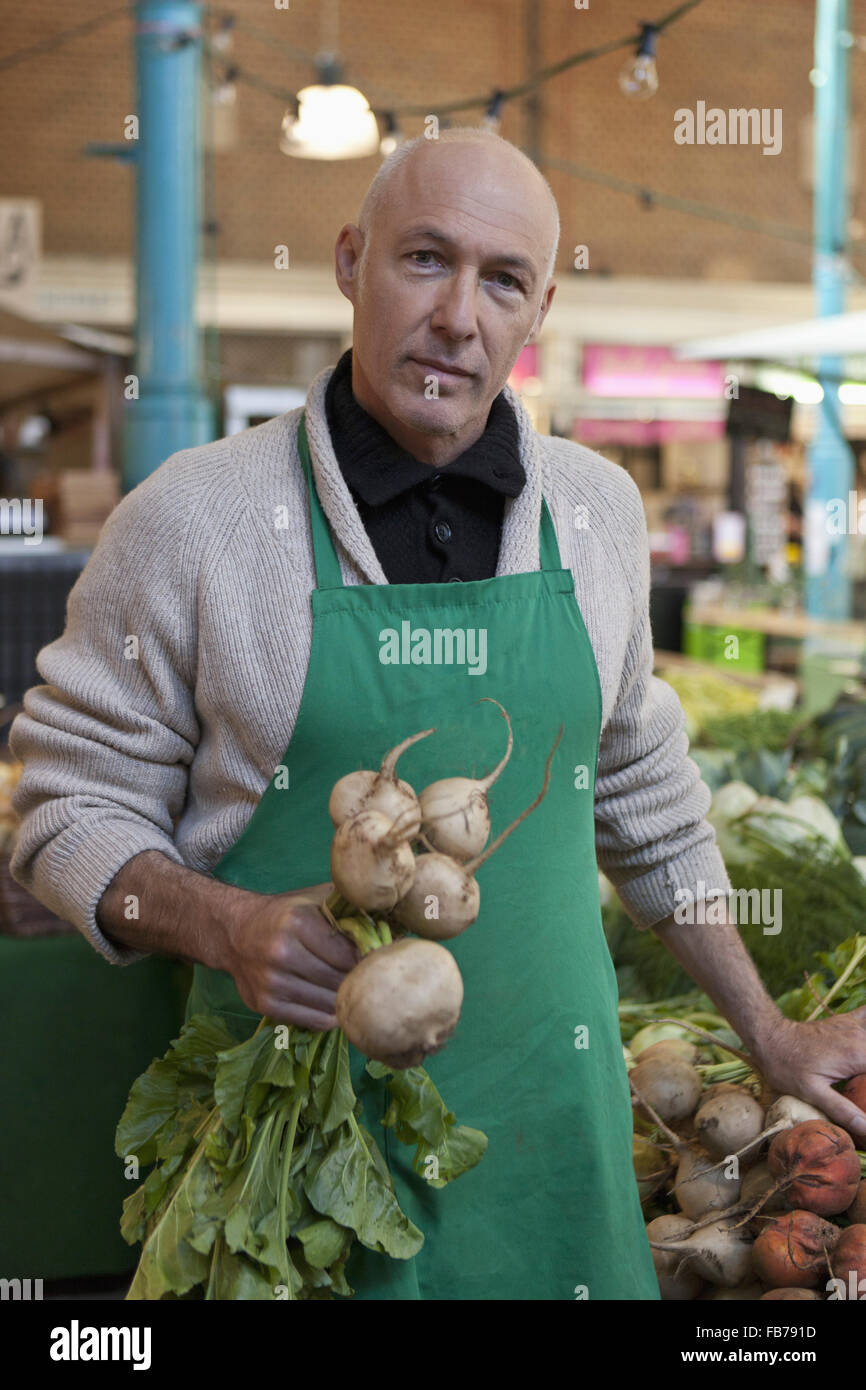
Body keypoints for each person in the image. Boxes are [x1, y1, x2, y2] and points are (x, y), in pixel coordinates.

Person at [10, 129, 866, 1300]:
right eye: (424, 259)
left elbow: (647, 803)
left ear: (539, 308)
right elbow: (66, 804)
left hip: (548, 1139)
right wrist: (223, 925)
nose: (458, 314)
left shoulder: (595, 509)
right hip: (285, 1159)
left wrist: (765, 1027)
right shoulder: (192, 520)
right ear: (350, 261)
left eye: (501, 279)